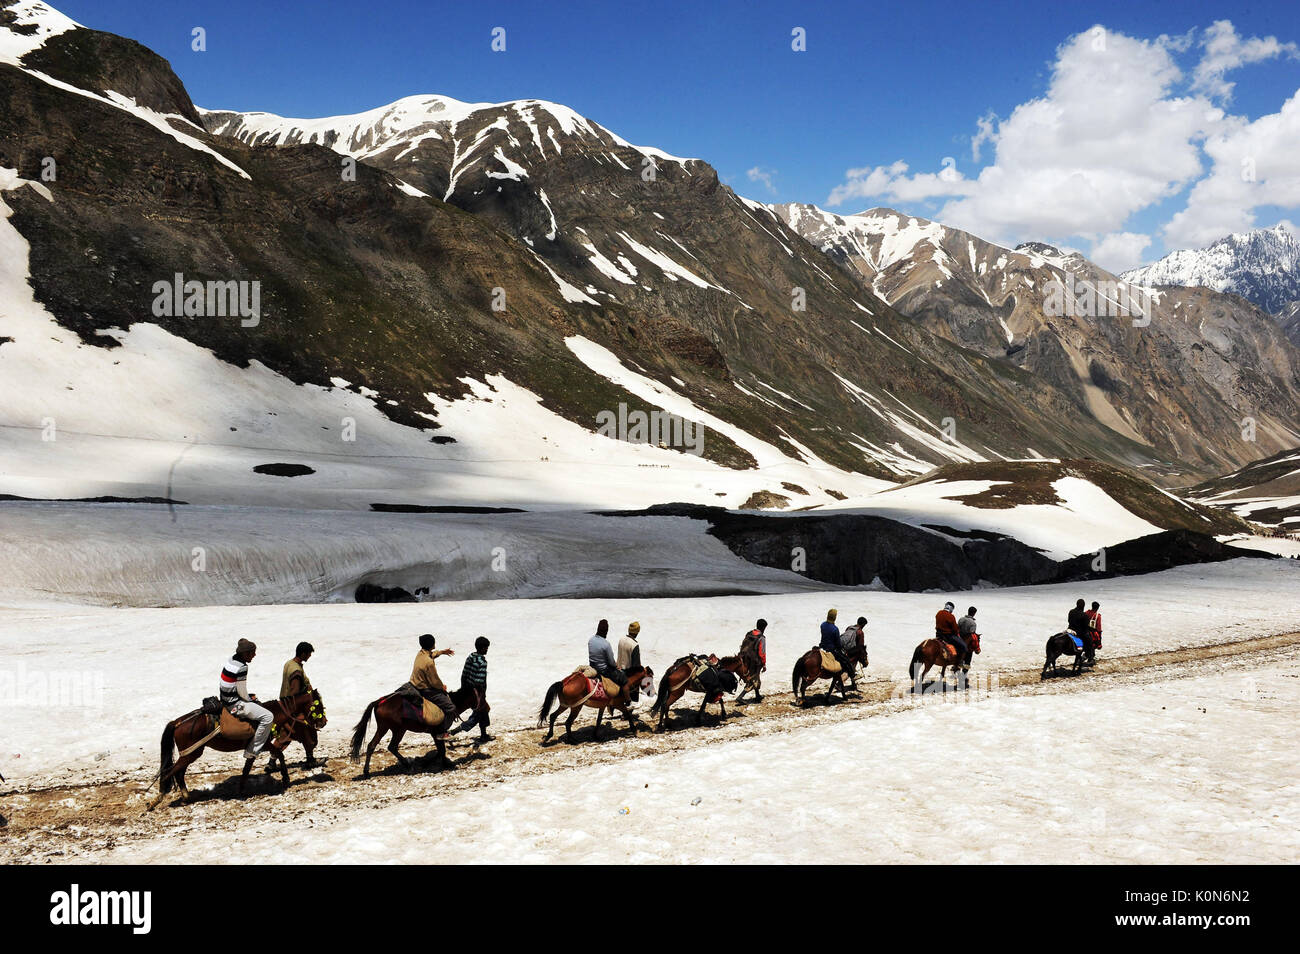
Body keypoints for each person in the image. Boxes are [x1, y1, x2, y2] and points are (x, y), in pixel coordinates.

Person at [219, 638, 273, 762]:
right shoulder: (242, 667)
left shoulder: (231, 660)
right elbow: (242, 692)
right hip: (234, 704)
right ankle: (252, 751)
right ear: (245, 653)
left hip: (224, 698)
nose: (254, 655)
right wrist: (251, 700)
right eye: (252, 653)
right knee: (268, 716)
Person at [411, 634, 456, 738]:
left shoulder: (420, 654)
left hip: (414, 684)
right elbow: (434, 681)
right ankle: (441, 732)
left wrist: (442, 652)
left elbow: (432, 654)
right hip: (425, 690)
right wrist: (442, 687)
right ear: (432, 644)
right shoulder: (429, 662)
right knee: (451, 708)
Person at [452, 637, 491, 742]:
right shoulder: (482, 662)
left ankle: (484, 734)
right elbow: (480, 681)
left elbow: (464, 674)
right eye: (486, 648)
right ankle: (456, 730)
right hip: (477, 694)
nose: (487, 650)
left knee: (484, 712)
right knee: (479, 713)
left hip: (467, 690)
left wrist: (464, 688)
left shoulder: (470, 657)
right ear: (482, 648)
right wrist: (481, 695)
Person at [588, 619, 627, 689]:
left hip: (592, 666)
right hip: (603, 671)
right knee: (623, 677)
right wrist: (616, 666)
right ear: (606, 631)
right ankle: (626, 699)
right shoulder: (606, 644)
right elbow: (611, 663)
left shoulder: (591, 640)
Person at [618, 621, 643, 707]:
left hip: (618, 669)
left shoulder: (621, 639)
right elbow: (636, 665)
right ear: (637, 632)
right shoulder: (634, 645)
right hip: (628, 672)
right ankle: (632, 703)